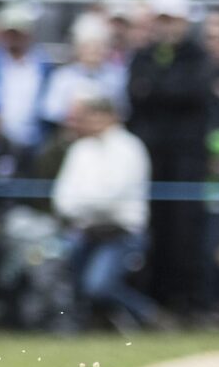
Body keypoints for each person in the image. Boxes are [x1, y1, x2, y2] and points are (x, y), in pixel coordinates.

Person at [124, 0, 215, 317]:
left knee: (186, 231)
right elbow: (138, 95)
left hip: (187, 159)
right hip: (150, 159)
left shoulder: (198, 56)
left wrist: (157, 90)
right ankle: (154, 302)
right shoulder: (143, 56)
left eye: (172, 19)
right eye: (161, 18)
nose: (167, 26)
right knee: (152, 230)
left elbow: (188, 93)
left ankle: (189, 302)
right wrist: (165, 91)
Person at [52, 88, 159, 330]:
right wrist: (85, 207)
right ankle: (83, 325)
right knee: (60, 271)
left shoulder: (129, 148)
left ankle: (147, 314)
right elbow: (62, 198)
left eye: (96, 115)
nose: (91, 121)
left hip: (122, 232)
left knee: (98, 285)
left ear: (112, 116)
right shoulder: (81, 149)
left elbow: (113, 197)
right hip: (85, 231)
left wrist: (83, 205)